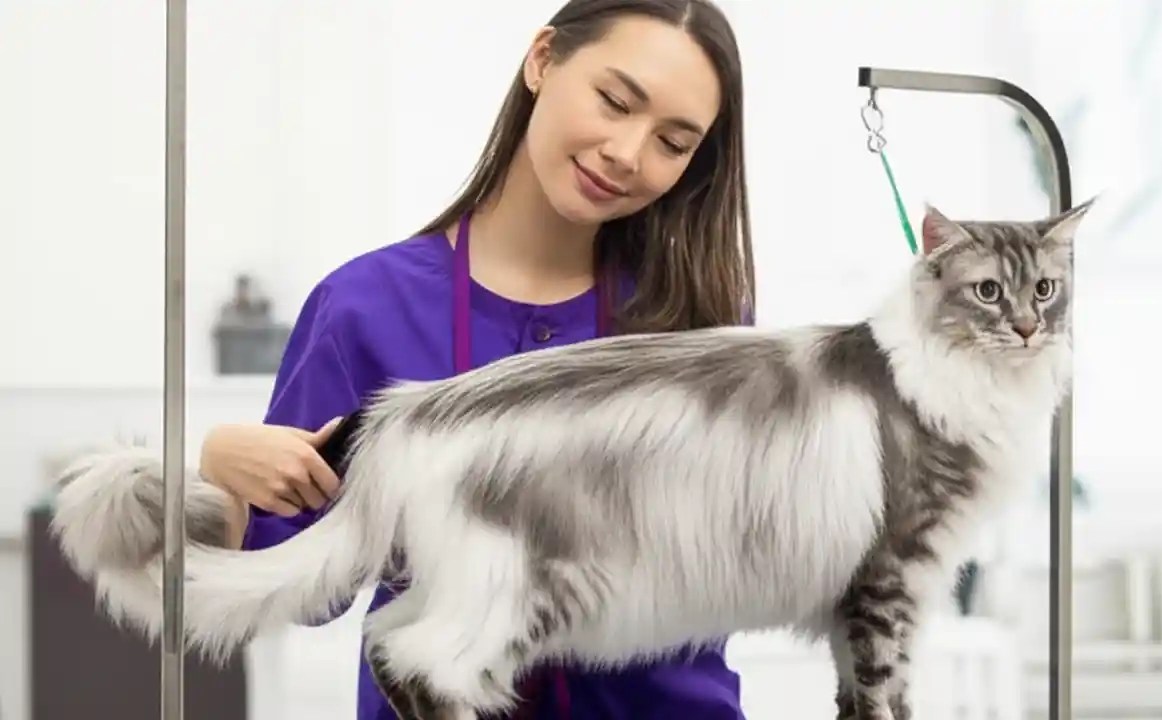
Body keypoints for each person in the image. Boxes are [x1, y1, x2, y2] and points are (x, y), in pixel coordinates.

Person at [197, 0, 755, 717]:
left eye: (673, 144)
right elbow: (309, 594)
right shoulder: (365, 306)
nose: (627, 153)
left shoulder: (704, 323)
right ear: (543, 59)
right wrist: (223, 463)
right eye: (615, 101)